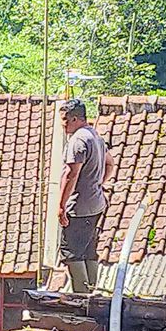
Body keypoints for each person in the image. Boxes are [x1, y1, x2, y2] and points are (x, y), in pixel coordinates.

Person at [57, 98, 116, 294]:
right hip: (96, 204)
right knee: (89, 250)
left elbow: (71, 173)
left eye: (65, 120)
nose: (63, 124)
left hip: (79, 206)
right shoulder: (96, 137)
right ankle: (92, 290)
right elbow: (110, 163)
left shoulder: (78, 140)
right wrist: (98, 182)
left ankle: (81, 295)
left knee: (71, 252)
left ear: (75, 119)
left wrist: (62, 205)